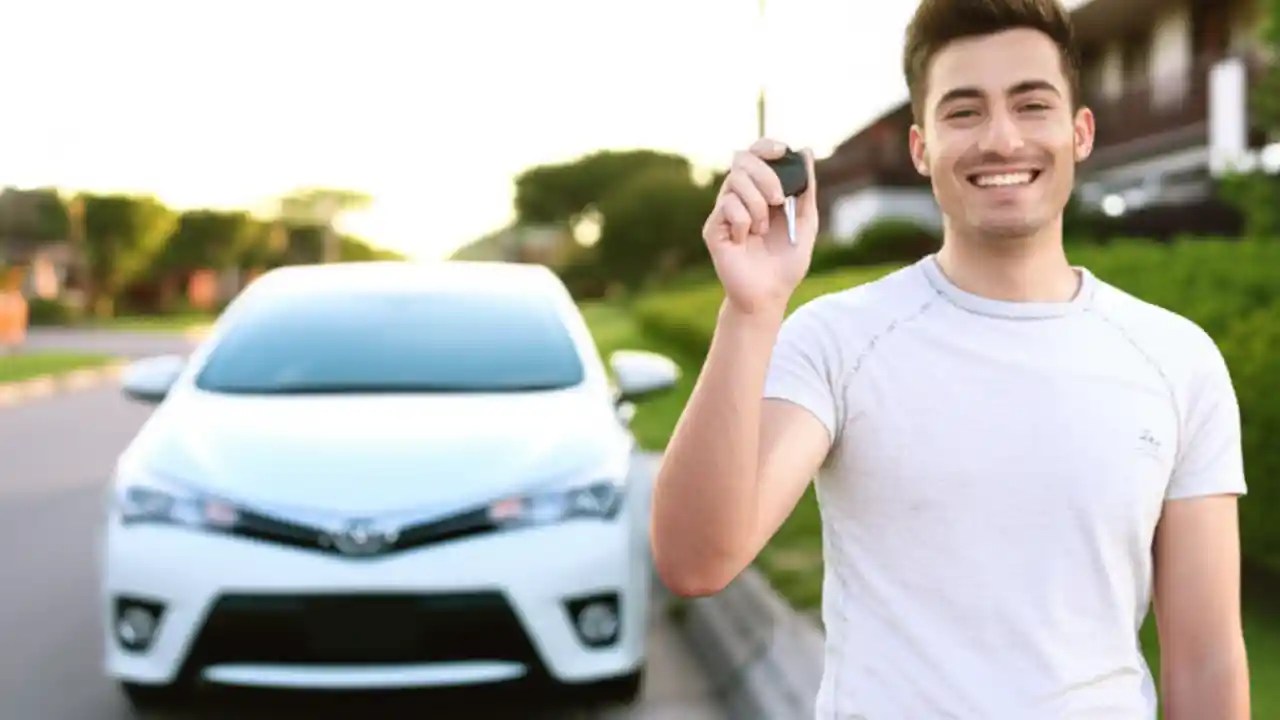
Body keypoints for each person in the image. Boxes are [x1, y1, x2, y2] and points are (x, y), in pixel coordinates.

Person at [648, 0, 1251, 716]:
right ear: (920, 147)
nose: (1001, 139)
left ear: (1079, 131)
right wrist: (749, 313)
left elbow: (1208, 661)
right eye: (963, 112)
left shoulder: (1177, 360)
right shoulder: (839, 340)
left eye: (1032, 105)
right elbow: (695, 559)